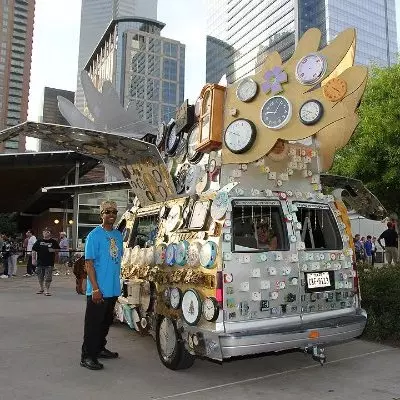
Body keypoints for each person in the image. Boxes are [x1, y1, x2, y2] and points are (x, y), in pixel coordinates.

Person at [81, 201, 123, 371]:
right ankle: (87, 356)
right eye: (107, 212)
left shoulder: (118, 235)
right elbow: (89, 264)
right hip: (99, 289)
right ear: (101, 215)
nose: (111, 214)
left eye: (114, 211)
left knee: (105, 322)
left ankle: (99, 349)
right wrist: (96, 289)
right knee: (93, 324)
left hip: (112, 288)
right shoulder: (94, 235)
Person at [32, 227, 60, 296]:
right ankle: (41, 288)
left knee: (48, 277)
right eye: (44, 231)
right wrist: (33, 259)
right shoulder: (39, 241)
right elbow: (33, 250)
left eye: (47, 232)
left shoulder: (53, 241)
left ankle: (47, 290)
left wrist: (52, 250)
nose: (45, 233)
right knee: (40, 277)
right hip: (40, 262)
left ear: (50, 234)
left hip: (49, 262)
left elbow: (58, 249)